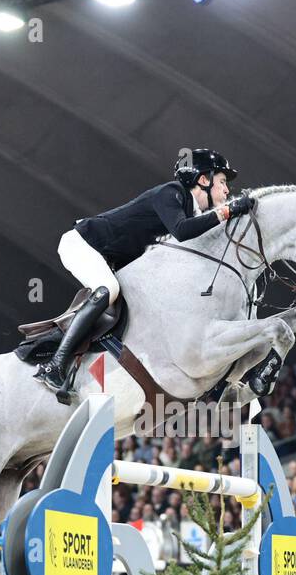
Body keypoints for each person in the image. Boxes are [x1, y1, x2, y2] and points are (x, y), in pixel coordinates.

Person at [33, 148, 253, 401]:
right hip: (83, 244)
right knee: (108, 289)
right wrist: (228, 211)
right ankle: (55, 365)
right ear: (203, 180)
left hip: (113, 258)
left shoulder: (191, 212)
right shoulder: (171, 193)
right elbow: (182, 231)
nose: (227, 191)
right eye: (223, 182)